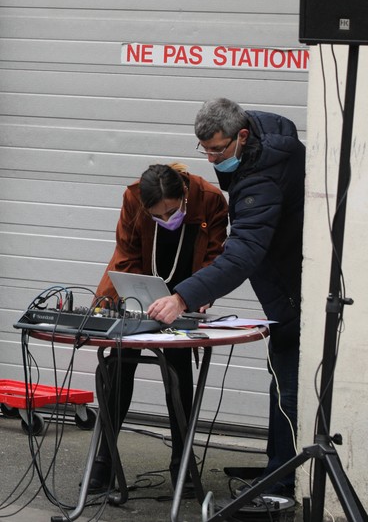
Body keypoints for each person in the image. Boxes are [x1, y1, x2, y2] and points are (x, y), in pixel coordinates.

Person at [148, 98, 304, 496]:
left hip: (292, 287)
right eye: (205, 148)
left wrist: (183, 297)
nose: (212, 158)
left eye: (218, 149)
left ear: (243, 136)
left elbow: (245, 250)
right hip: (283, 281)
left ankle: (281, 484)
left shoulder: (261, 176)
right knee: (280, 373)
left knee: (288, 379)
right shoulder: (267, 136)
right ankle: (277, 466)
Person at [89, 163, 228, 495]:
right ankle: (103, 462)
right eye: (157, 216)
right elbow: (125, 253)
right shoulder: (133, 197)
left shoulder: (210, 200)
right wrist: (137, 296)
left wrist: (198, 293)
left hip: (187, 291)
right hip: (139, 290)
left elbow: (216, 256)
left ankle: (182, 462)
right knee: (119, 367)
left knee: (178, 370)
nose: (166, 220)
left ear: (184, 195)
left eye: (171, 212)